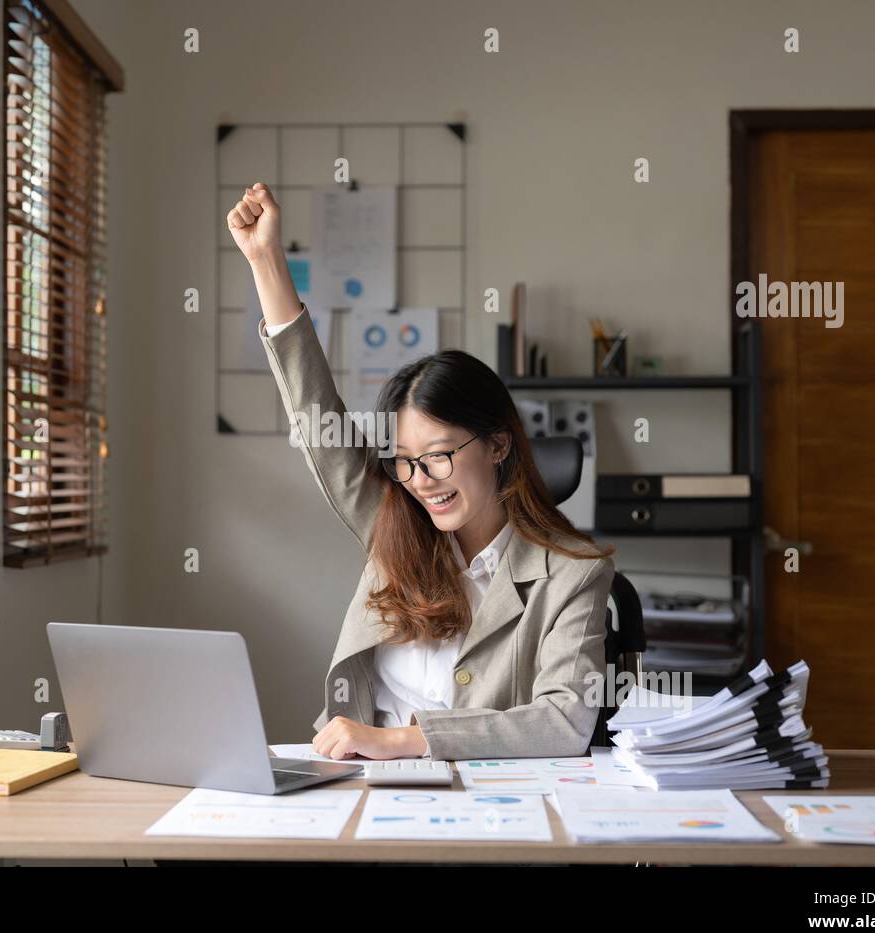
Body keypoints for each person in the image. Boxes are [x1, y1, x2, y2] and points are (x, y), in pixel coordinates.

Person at [228, 183, 614, 761]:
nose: (421, 479)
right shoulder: (393, 521)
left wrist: (402, 741)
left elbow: (563, 721)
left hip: (486, 806)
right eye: (406, 461)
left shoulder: (572, 573)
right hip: (355, 785)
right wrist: (266, 261)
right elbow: (316, 418)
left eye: (438, 454)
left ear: (498, 444)